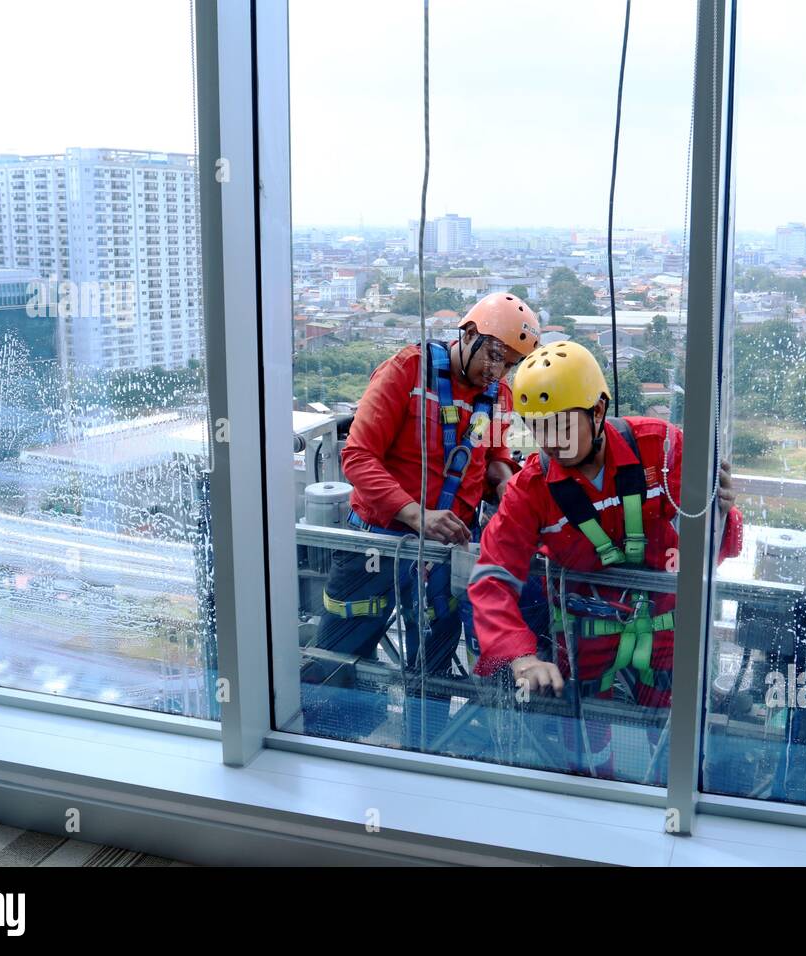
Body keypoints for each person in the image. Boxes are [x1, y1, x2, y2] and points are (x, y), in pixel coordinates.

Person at [467, 340, 742, 779]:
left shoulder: (662, 449)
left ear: (597, 410)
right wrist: (522, 657)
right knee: (587, 753)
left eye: (561, 425)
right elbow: (492, 577)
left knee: (676, 752)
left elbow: (711, 549)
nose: (550, 442)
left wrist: (722, 511)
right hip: (584, 636)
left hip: (668, 630)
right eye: (537, 428)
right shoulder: (531, 489)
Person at [306, 293, 540, 748]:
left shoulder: (499, 396)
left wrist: (508, 487)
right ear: (467, 335)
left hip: (443, 554)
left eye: (510, 364)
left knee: (431, 665)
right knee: (340, 651)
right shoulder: (407, 372)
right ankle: (324, 746)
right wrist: (417, 515)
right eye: (494, 355)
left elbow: (493, 459)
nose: (498, 371)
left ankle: (423, 751)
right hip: (376, 543)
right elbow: (358, 456)